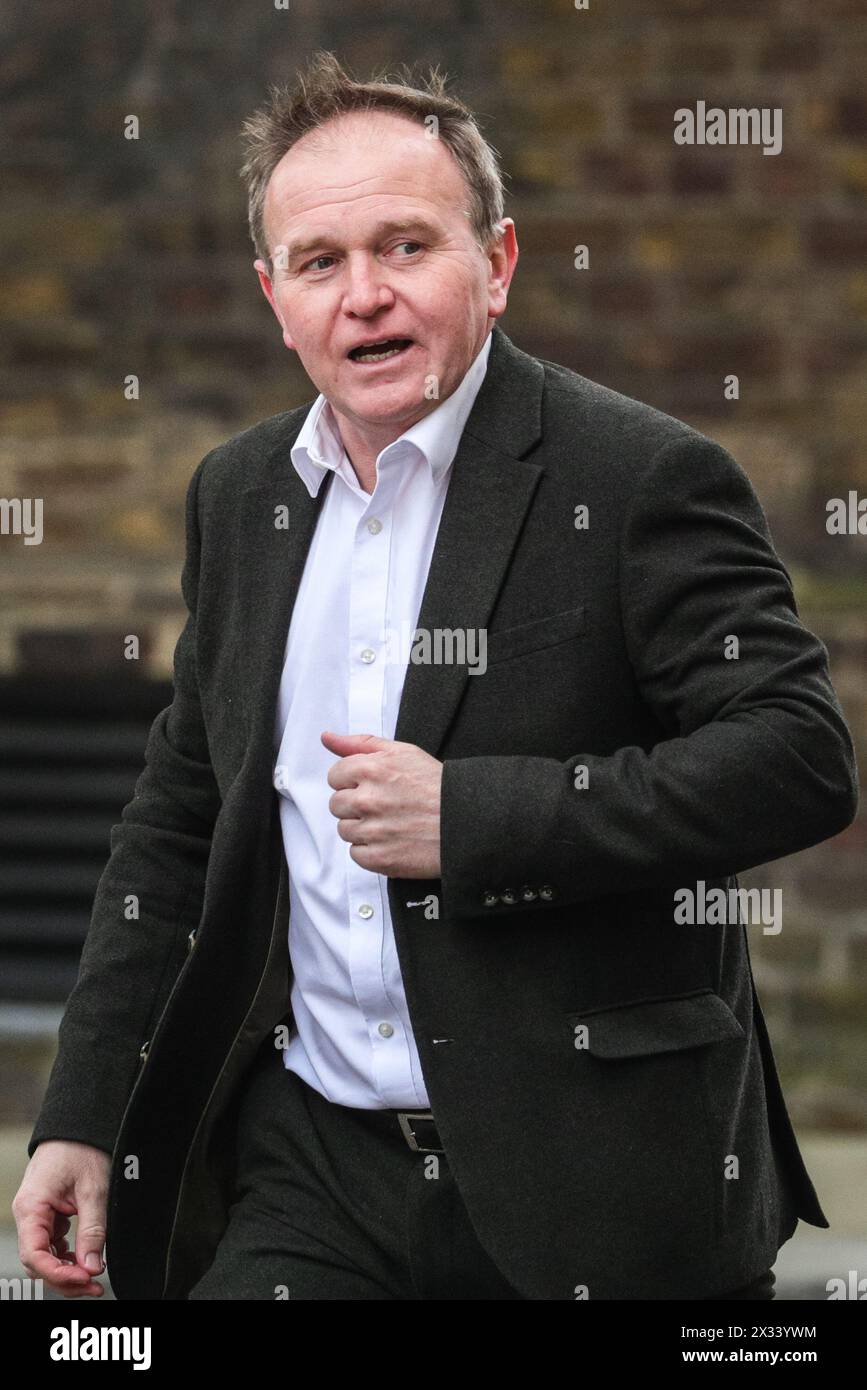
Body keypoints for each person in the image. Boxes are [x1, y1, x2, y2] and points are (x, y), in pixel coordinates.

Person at [14, 51, 858, 1301]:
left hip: (599, 1178)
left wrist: (475, 816)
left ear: (500, 264)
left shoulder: (636, 478)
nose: (364, 295)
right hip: (312, 1169)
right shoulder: (242, 499)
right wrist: (83, 1108)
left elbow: (798, 758)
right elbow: (178, 821)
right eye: (321, 262)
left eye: (407, 246)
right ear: (273, 297)